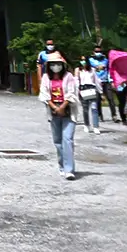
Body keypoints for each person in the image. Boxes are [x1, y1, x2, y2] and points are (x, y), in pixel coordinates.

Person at [39, 52, 79, 180]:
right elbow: (44, 94)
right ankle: (62, 165)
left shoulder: (69, 76)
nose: (56, 66)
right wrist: (55, 107)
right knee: (58, 141)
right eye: (53, 64)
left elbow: (72, 93)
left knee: (67, 139)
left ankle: (69, 169)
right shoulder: (46, 77)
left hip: (68, 111)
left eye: (58, 64)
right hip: (53, 111)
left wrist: (63, 106)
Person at [90, 47, 119, 123]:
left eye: (99, 51)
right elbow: (93, 67)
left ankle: (114, 115)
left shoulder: (106, 60)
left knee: (111, 98)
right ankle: (100, 115)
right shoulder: (91, 60)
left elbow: (108, 69)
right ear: (93, 52)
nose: (98, 52)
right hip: (96, 82)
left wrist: (112, 80)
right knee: (97, 100)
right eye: (96, 51)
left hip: (106, 81)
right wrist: (98, 67)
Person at [75, 58, 102, 133]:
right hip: (83, 89)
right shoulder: (78, 70)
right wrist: (77, 91)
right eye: (81, 60)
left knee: (94, 108)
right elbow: (76, 80)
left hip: (91, 89)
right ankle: (87, 124)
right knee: (85, 109)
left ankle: (96, 126)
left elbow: (97, 80)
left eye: (84, 60)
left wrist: (100, 91)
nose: (83, 62)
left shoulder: (92, 70)